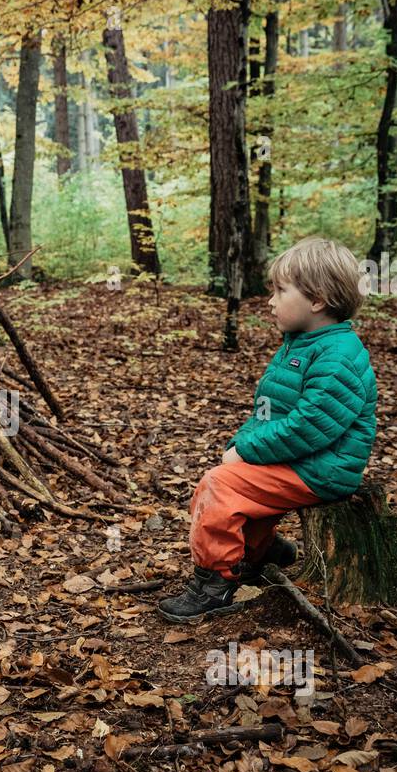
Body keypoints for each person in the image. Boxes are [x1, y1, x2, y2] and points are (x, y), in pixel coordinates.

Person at [159, 237, 377, 624]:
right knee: (233, 481)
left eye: (280, 291)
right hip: (305, 460)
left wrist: (246, 451)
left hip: (323, 467)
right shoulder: (301, 345)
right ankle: (259, 553)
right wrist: (241, 443)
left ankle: (216, 583)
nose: (271, 301)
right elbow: (268, 413)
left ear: (318, 299)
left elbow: (310, 426)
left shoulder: (338, 354)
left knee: (219, 486)